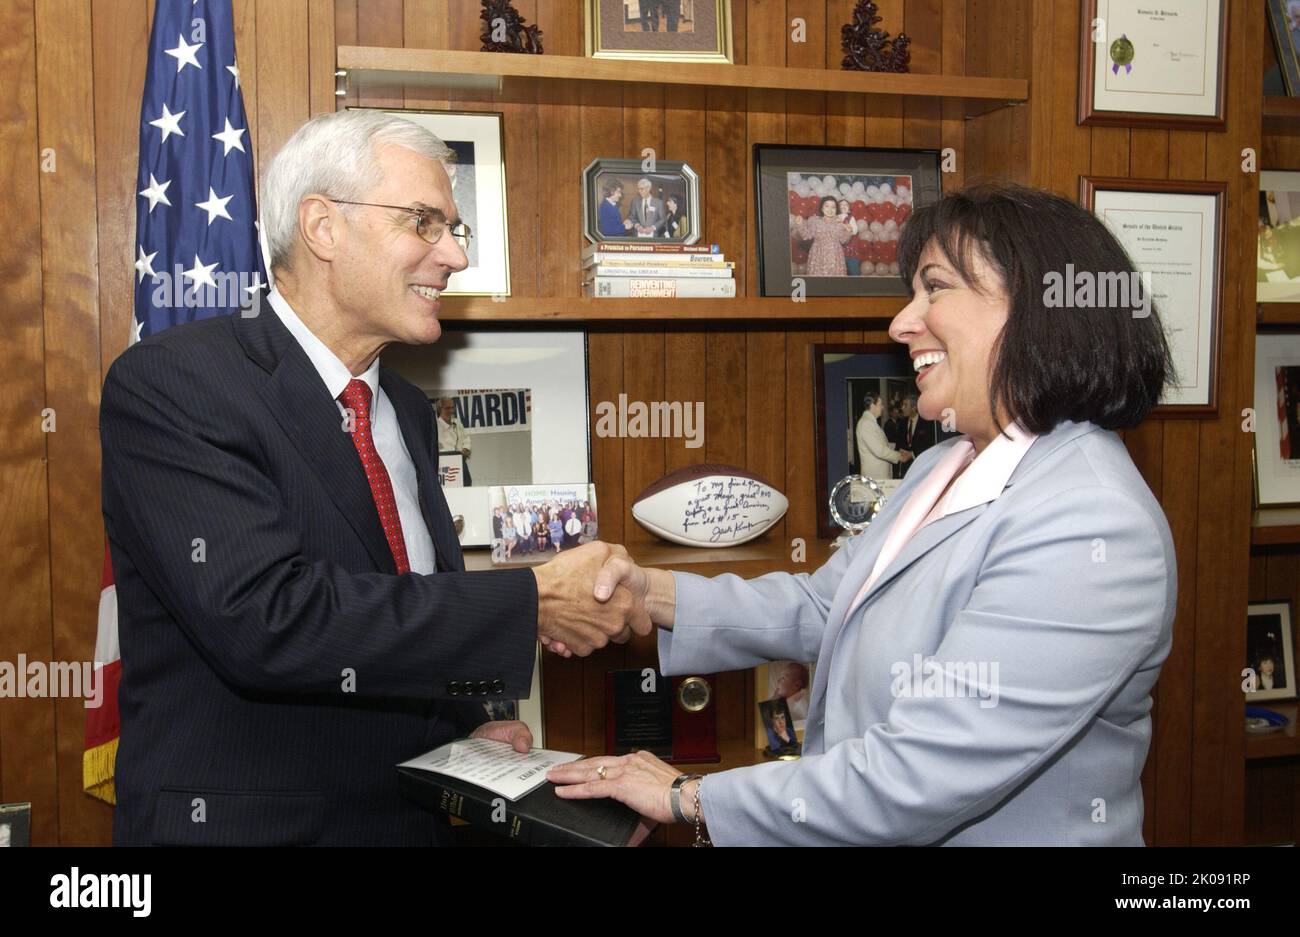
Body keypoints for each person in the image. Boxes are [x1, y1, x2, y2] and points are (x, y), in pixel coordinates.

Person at [548, 183, 1177, 846]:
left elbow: (920, 774)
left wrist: (688, 796)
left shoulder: (1092, 523)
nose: (902, 323)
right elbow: (827, 605)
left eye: (935, 288)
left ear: (1038, 308)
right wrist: (651, 590)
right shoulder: (947, 464)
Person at [99, 109, 650, 847]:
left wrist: (468, 727)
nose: (454, 255)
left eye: (455, 229)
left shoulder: (406, 411)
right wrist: (533, 602)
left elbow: (402, 606)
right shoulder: (174, 385)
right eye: (424, 222)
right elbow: (267, 618)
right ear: (322, 227)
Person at [855, 391, 911, 480]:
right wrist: (899, 456)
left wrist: (898, 448)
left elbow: (882, 444)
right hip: (875, 478)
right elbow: (879, 451)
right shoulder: (866, 424)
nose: (883, 407)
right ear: (873, 406)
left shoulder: (871, 422)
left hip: (879, 477)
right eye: (880, 404)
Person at [793, 196, 854, 276]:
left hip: (835, 256)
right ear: (822, 208)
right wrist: (800, 224)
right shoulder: (815, 221)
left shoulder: (839, 223)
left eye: (833, 207)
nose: (830, 209)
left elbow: (843, 240)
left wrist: (848, 232)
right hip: (818, 255)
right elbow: (806, 235)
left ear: (836, 210)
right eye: (827, 206)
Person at [435, 396, 473, 485]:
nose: (451, 411)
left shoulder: (457, 423)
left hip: (460, 461)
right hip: (444, 464)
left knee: (467, 484)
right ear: (440, 409)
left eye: (452, 407)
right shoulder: (435, 426)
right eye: (447, 408)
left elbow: (466, 439)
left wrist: (465, 449)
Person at [897, 393, 933, 477]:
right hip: (905, 468)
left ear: (914, 408)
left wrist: (912, 454)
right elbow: (899, 441)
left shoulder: (926, 422)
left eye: (905, 405)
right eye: (902, 405)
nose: (902, 408)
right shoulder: (902, 423)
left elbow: (929, 444)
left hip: (920, 466)